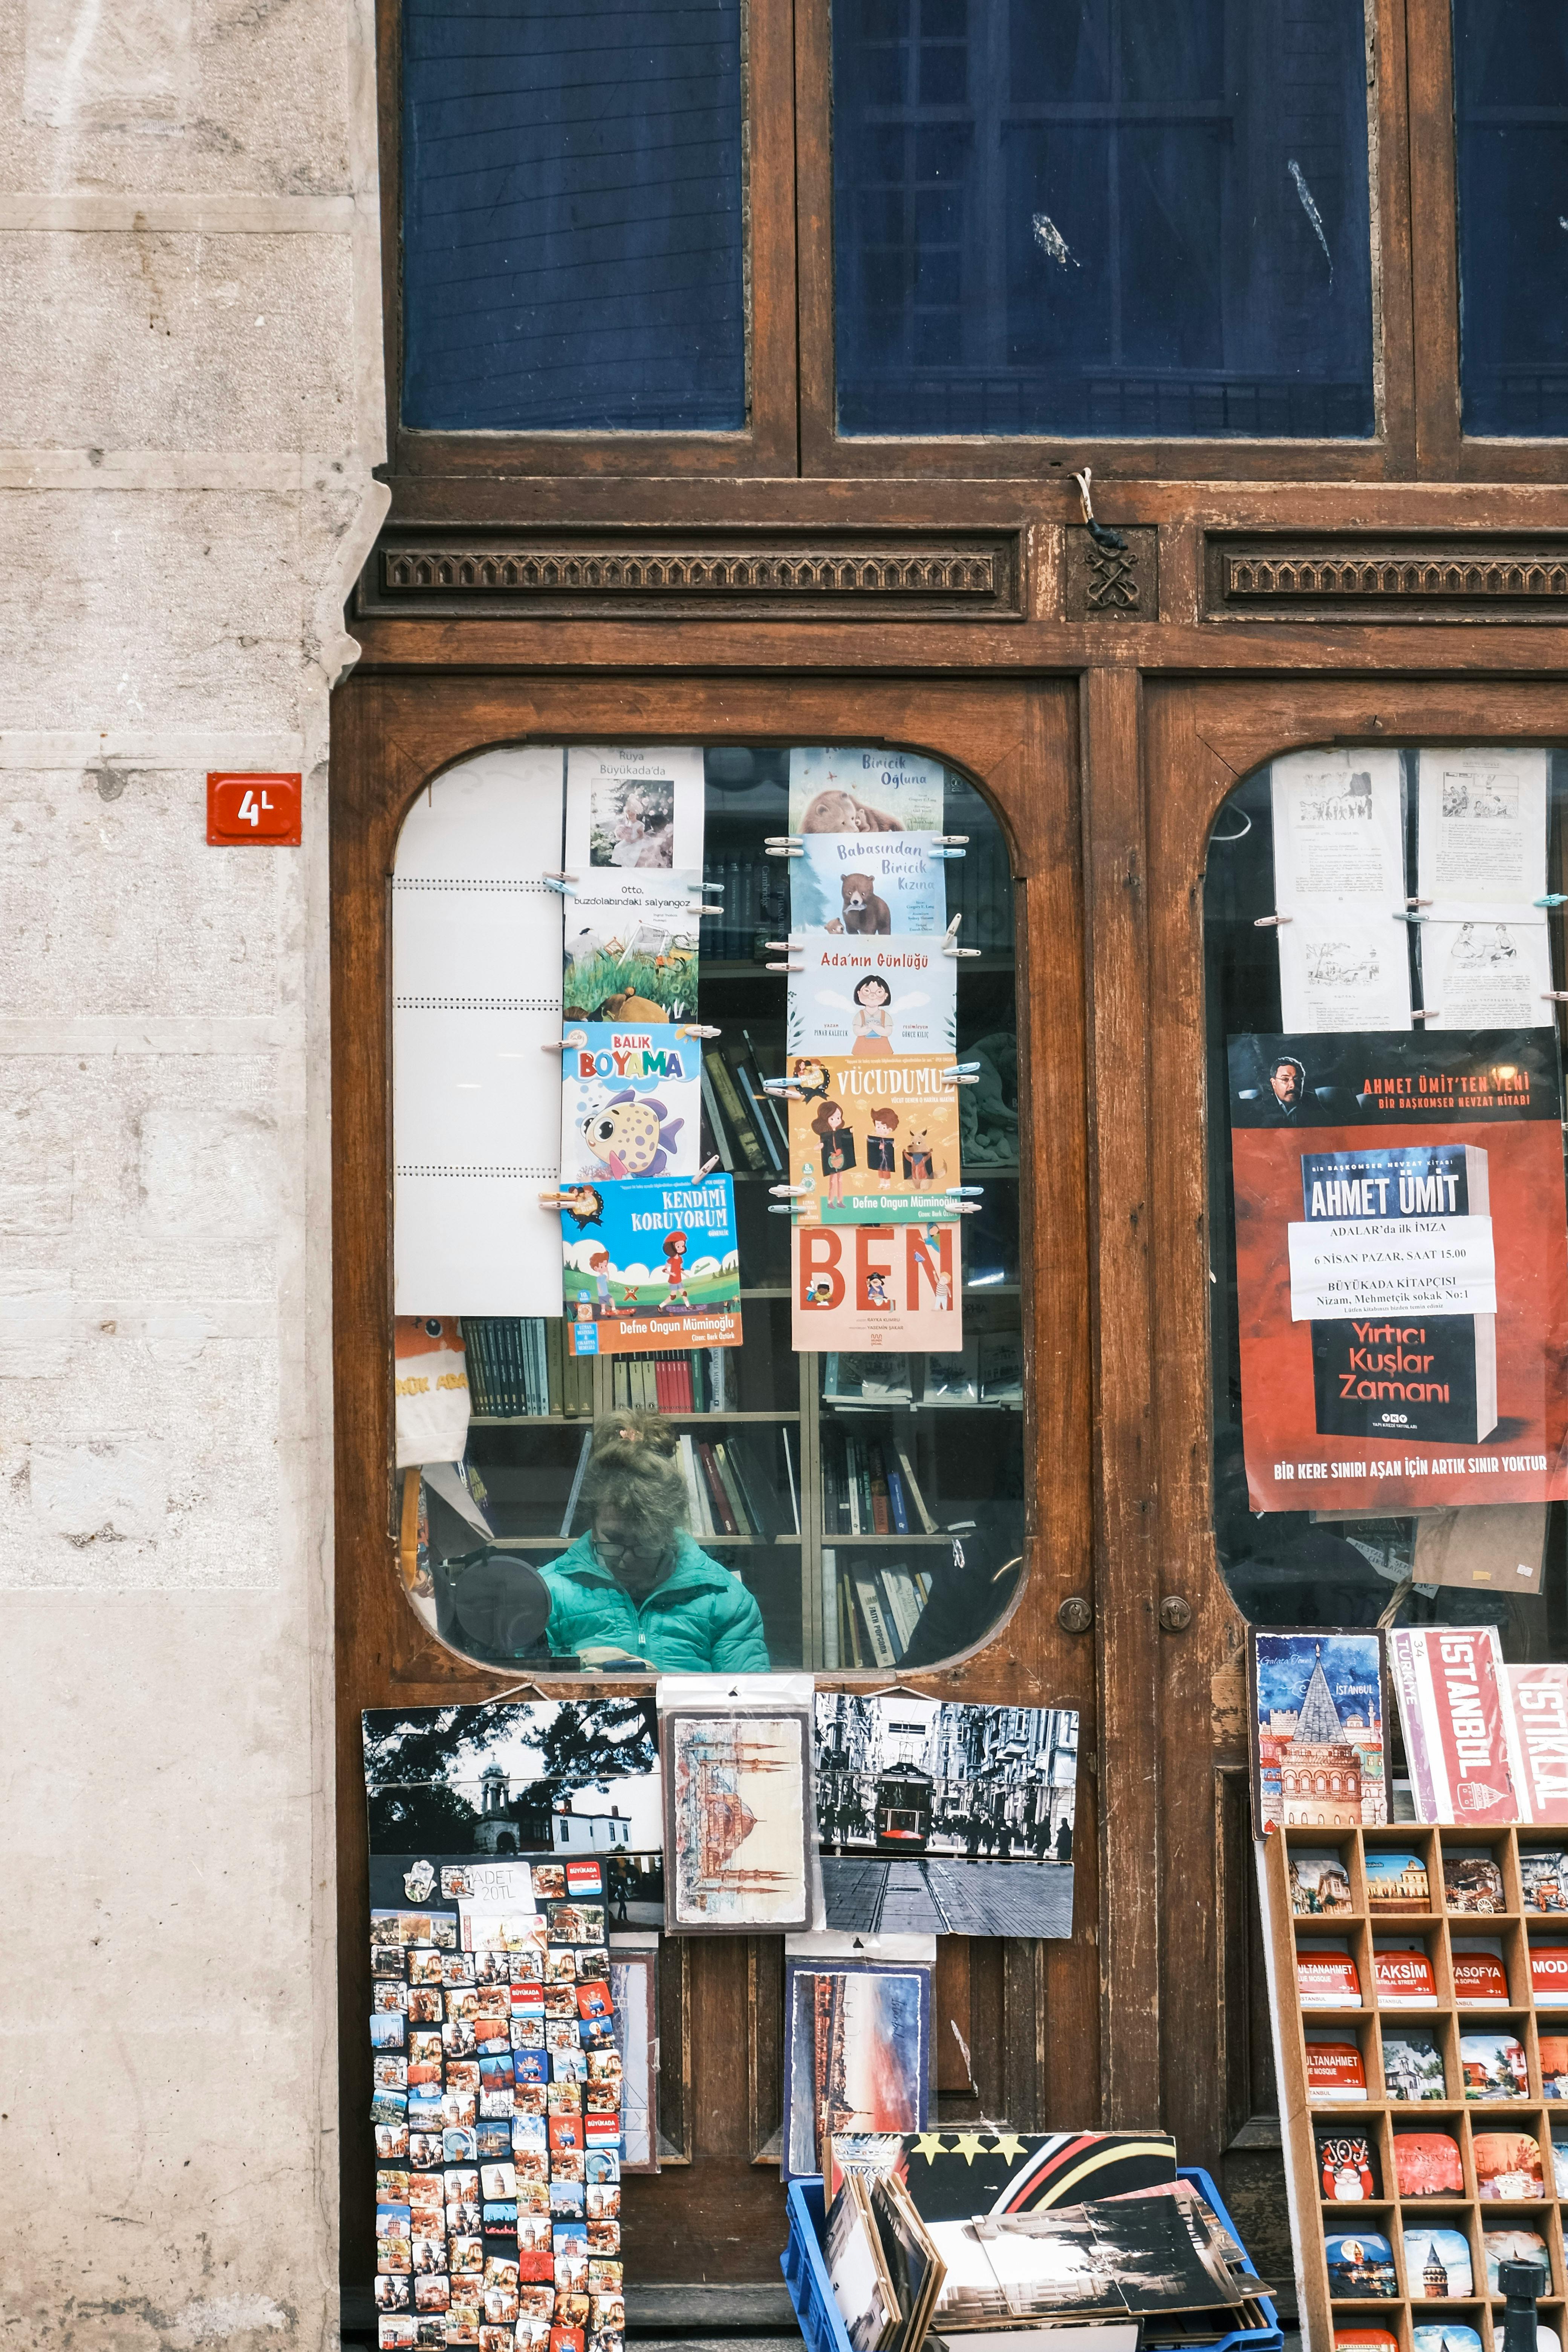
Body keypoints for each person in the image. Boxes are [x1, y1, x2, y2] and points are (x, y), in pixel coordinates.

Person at [538, 1413, 770, 1671]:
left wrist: (664, 1691)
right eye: (613, 1540)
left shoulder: (724, 1599)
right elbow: (517, 1691)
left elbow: (750, 1703)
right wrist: (573, 1673)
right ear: (592, 1524)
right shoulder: (545, 1595)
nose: (627, 1559)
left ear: (669, 1532)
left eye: (645, 1543)